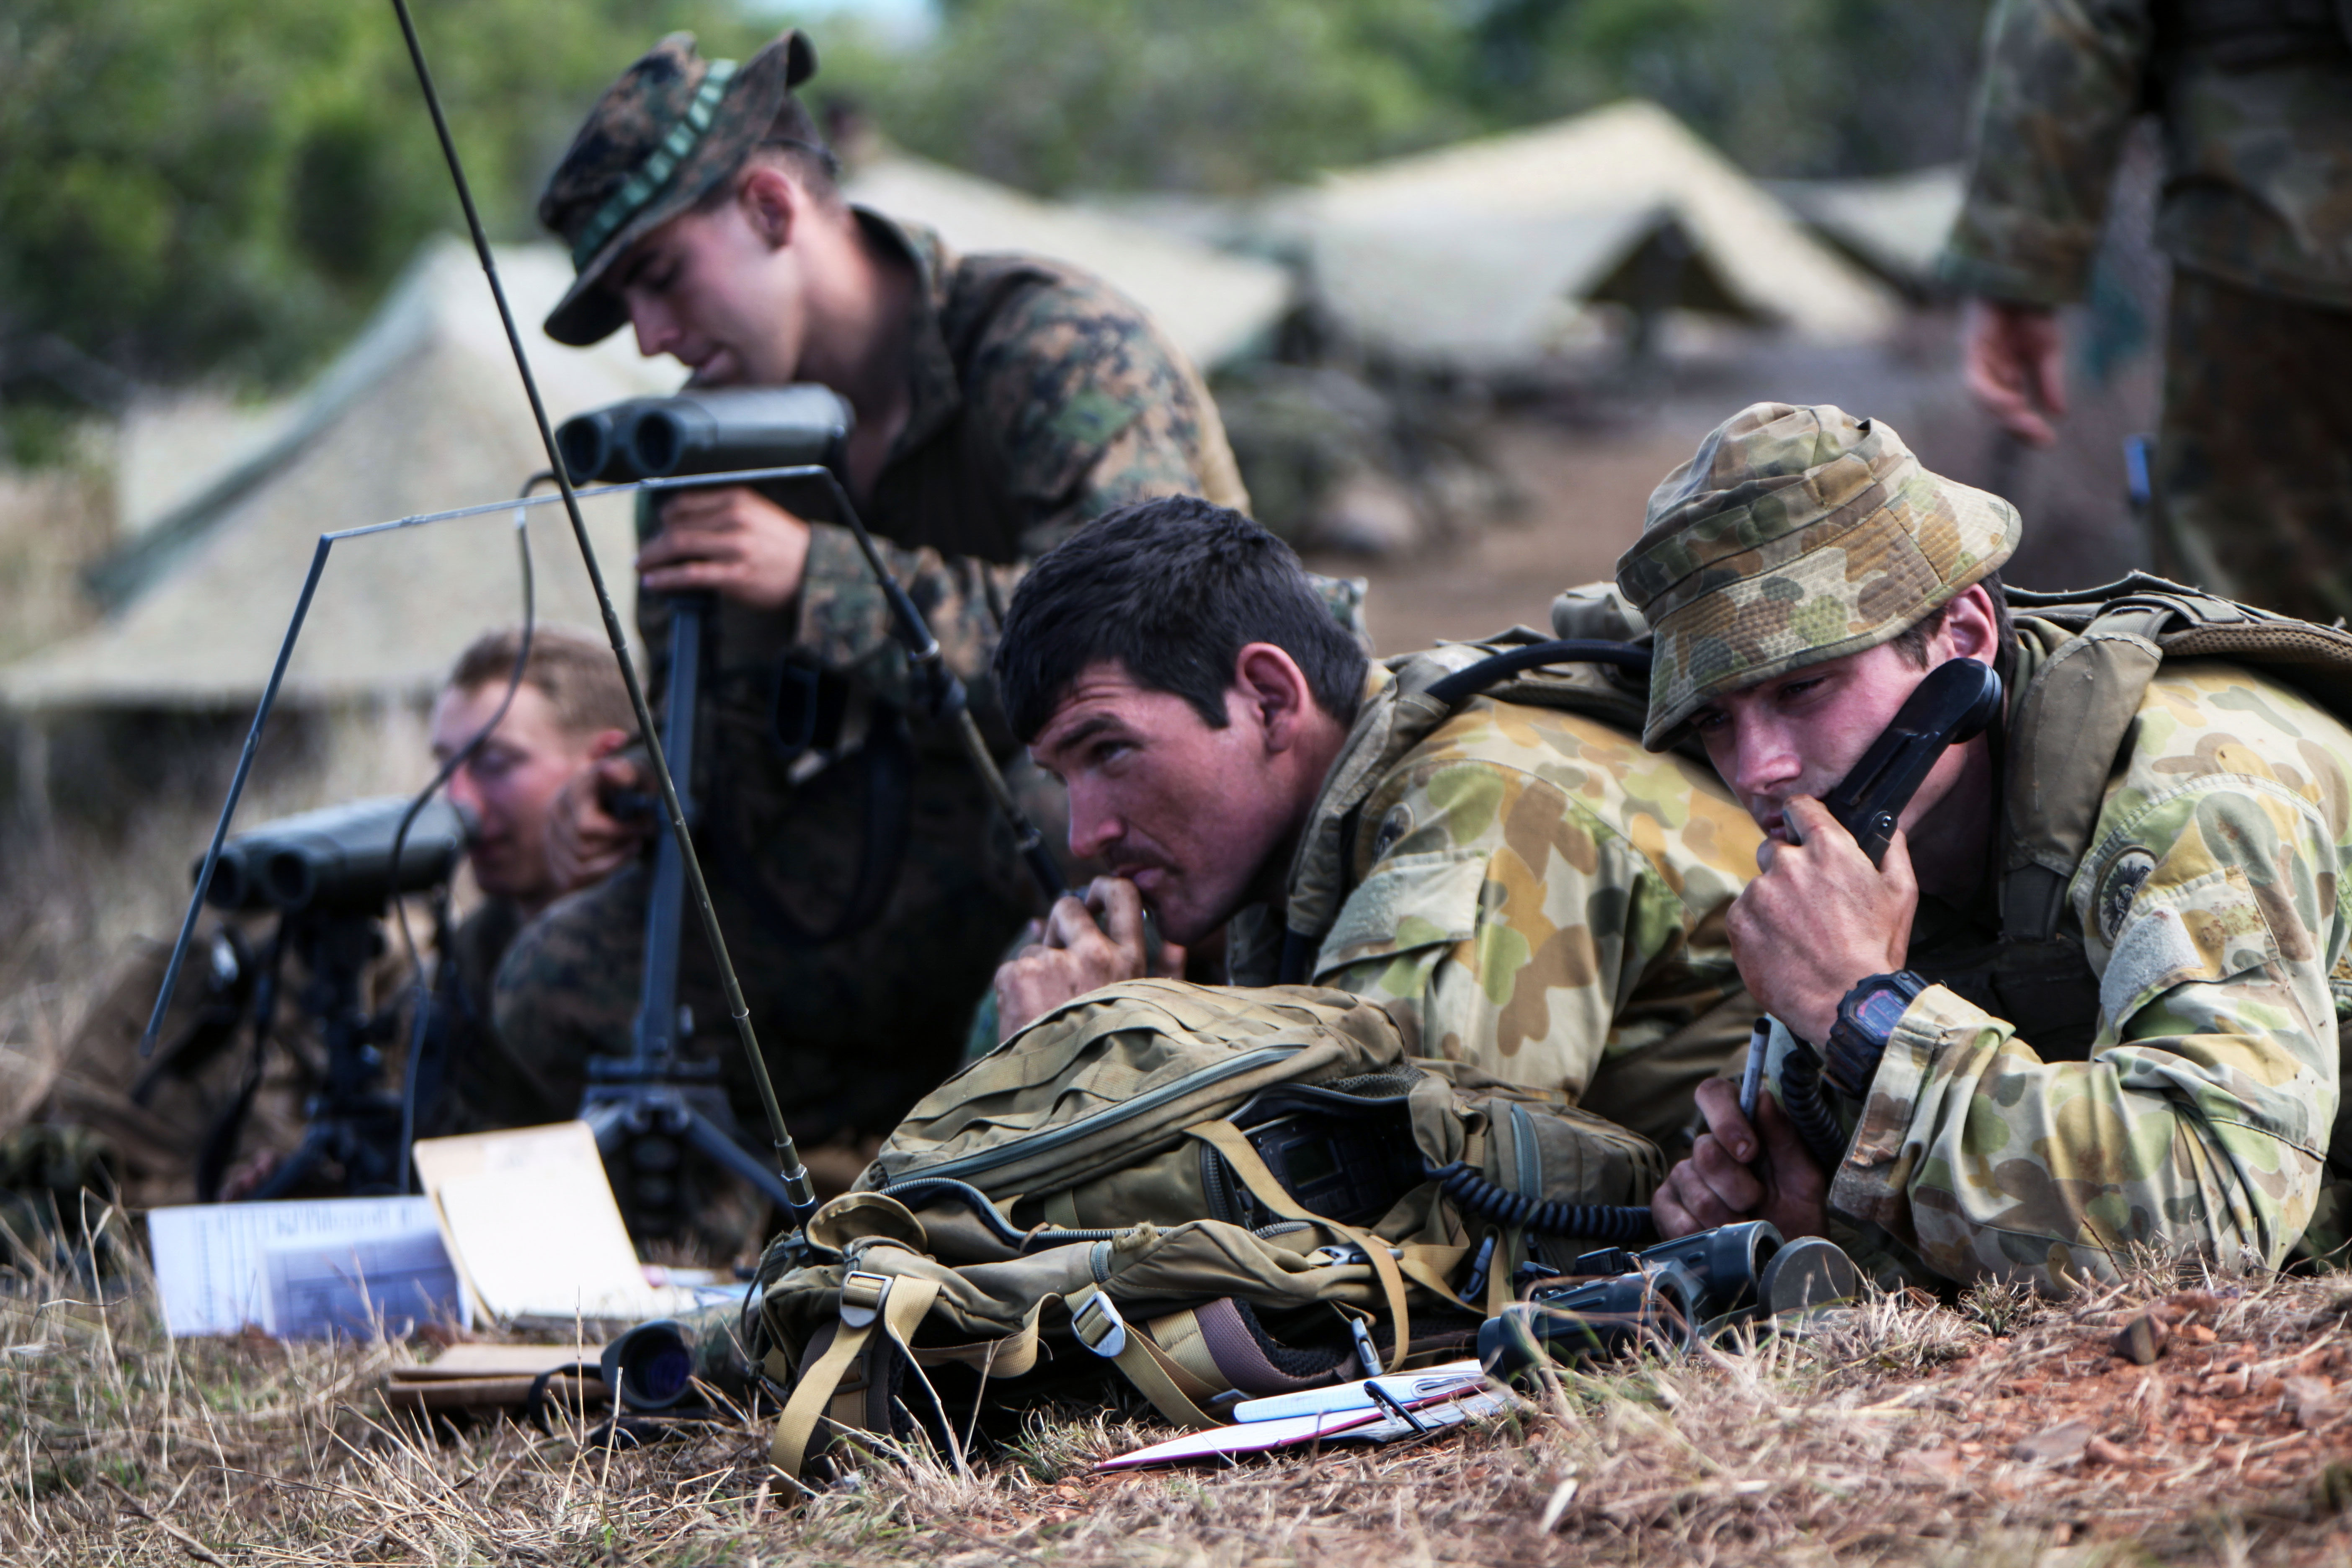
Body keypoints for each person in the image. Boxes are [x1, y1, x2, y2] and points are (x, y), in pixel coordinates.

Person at [496, 28, 1271, 1181]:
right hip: (897, 877)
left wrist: (822, 580)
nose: (653, 341)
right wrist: (629, 804)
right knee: (558, 980)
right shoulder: (708, 456)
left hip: (1123, 842)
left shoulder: (1050, 347)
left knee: (1070, 805)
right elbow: (722, 782)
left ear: (769, 205)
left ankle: (992, 1166)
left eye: (659, 278)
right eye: (622, 312)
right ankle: (800, 1185)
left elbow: (1149, 653)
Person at [1620, 401, 2352, 1290]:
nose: (1759, 768)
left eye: (1804, 688)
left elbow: (2213, 1222)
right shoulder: (1879, 838)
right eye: (1715, 721)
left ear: (1963, 638)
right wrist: (1816, 1218)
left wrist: (1869, 1017)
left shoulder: (2188, 790)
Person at [987, 497, 1762, 1152]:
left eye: (1111, 750)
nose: (1087, 835)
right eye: (1063, 777)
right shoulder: (1323, 845)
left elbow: (1381, 1208)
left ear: (1268, 698)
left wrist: (1095, 1060)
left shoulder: (1479, 810)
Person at [5, 627, 634, 1212]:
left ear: (604, 762)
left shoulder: (683, 938)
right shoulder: (475, 952)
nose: (458, 801)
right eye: (446, 767)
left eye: (496, 762)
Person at [1943, 0, 2352, 620]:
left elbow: (2073, 14)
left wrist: (2019, 263)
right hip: (2275, 255)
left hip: (2277, 246)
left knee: (2252, 624)